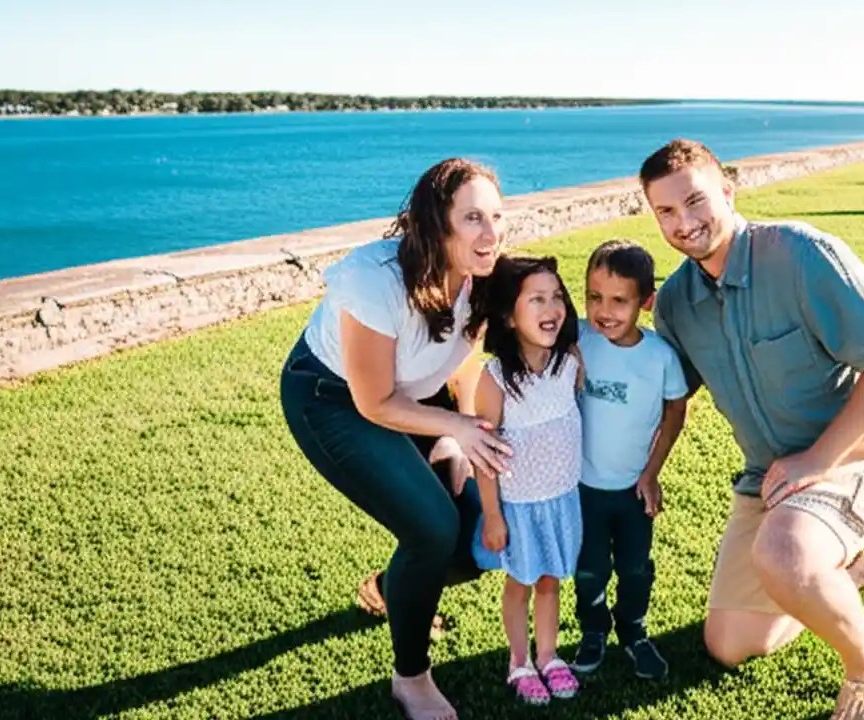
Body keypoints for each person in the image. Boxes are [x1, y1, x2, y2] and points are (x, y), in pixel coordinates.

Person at [643, 139, 864, 720]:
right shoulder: (675, 302)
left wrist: (818, 462)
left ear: (728, 191)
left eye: (695, 201)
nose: (684, 223)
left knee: (784, 551)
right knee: (729, 645)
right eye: (666, 212)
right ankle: (853, 562)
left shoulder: (800, 254)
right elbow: (667, 395)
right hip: (773, 479)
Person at [279, 158, 512, 720]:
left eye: (498, 216)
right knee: (433, 528)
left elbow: (465, 361)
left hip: (421, 397)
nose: (491, 233)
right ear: (437, 224)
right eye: (473, 218)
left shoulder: (484, 276)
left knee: (474, 538)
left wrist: (464, 421)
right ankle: (411, 679)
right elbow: (374, 402)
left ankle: (392, 588)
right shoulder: (374, 278)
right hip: (333, 399)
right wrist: (456, 429)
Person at [570, 239, 688, 680]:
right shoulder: (578, 337)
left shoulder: (659, 357)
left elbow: (676, 409)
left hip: (634, 490)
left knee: (635, 568)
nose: (605, 310)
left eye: (620, 300)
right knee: (588, 570)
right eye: (594, 296)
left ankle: (634, 631)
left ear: (646, 302)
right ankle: (593, 631)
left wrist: (652, 473)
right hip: (583, 488)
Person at [470, 255, 585, 706]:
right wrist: (493, 515)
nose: (551, 307)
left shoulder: (570, 362)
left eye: (557, 297)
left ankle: (549, 655)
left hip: (562, 500)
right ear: (507, 315)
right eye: (536, 299)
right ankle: (519, 662)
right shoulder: (495, 379)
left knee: (551, 581)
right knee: (520, 583)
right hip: (518, 507)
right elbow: (485, 456)